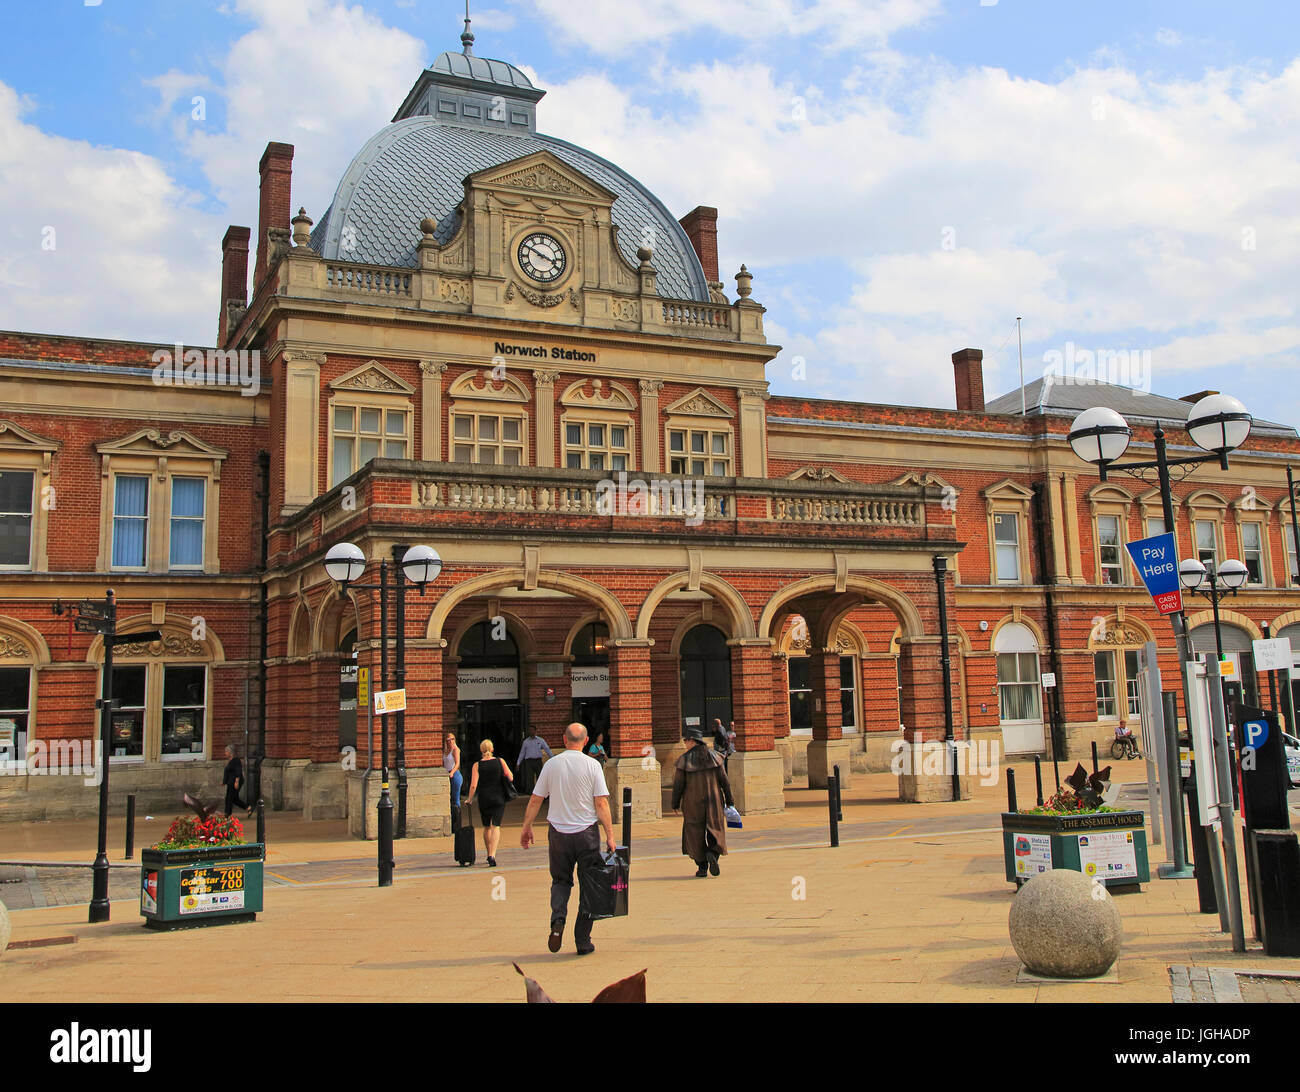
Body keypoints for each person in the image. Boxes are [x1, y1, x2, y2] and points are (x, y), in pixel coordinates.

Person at [520, 722, 615, 956]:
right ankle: (582, 940)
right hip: (586, 834)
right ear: (586, 741)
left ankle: (558, 920)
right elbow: (601, 803)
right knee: (589, 886)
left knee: (561, 882)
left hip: (559, 834)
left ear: (564, 740)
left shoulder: (551, 765)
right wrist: (610, 836)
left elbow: (535, 799)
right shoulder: (593, 765)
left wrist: (527, 827)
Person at [672, 725, 734, 877]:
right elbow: (724, 781)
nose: (685, 743)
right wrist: (730, 800)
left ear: (693, 741)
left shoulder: (684, 761)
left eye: (686, 740)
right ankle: (713, 853)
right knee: (716, 830)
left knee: (694, 833)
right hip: (714, 800)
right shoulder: (715, 757)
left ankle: (702, 866)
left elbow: (678, 785)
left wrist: (675, 803)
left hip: (692, 802)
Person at [466, 739, 514, 867]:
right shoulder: (500, 761)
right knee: (496, 825)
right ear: (492, 749)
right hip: (499, 797)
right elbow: (510, 776)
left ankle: (488, 854)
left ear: (481, 750)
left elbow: (473, 785)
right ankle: (492, 854)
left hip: (484, 798)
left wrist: (469, 799)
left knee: (487, 826)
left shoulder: (477, 765)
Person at [516, 724, 554, 795]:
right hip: (529, 762)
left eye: (532, 730)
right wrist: (518, 763)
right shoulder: (526, 742)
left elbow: (547, 749)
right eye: (530, 730)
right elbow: (522, 753)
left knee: (540, 777)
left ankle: (541, 792)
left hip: (538, 761)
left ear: (535, 731)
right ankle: (531, 793)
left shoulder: (540, 740)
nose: (531, 732)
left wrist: (553, 758)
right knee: (529, 778)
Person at [221, 745, 252, 819]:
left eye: (226, 751)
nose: (225, 753)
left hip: (234, 782)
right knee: (235, 799)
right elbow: (228, 772)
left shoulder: (236, 760)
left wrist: (236, 781)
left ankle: (227, 814)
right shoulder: (231, 761)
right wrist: (224, 781)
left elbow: (238, 771)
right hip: (230, 782)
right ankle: (247, 807)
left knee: (229, 798)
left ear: (230, 752)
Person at [444, 732, 462, 814]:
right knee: (449, 798)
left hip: (454, 775)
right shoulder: (445, 750)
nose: (451, 741)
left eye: (452, 739)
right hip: (447, 774)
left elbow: (457, 763)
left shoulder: (455, 749)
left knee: (456, 798)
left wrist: (452, 772)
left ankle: (458, 820)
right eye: (449, 739)